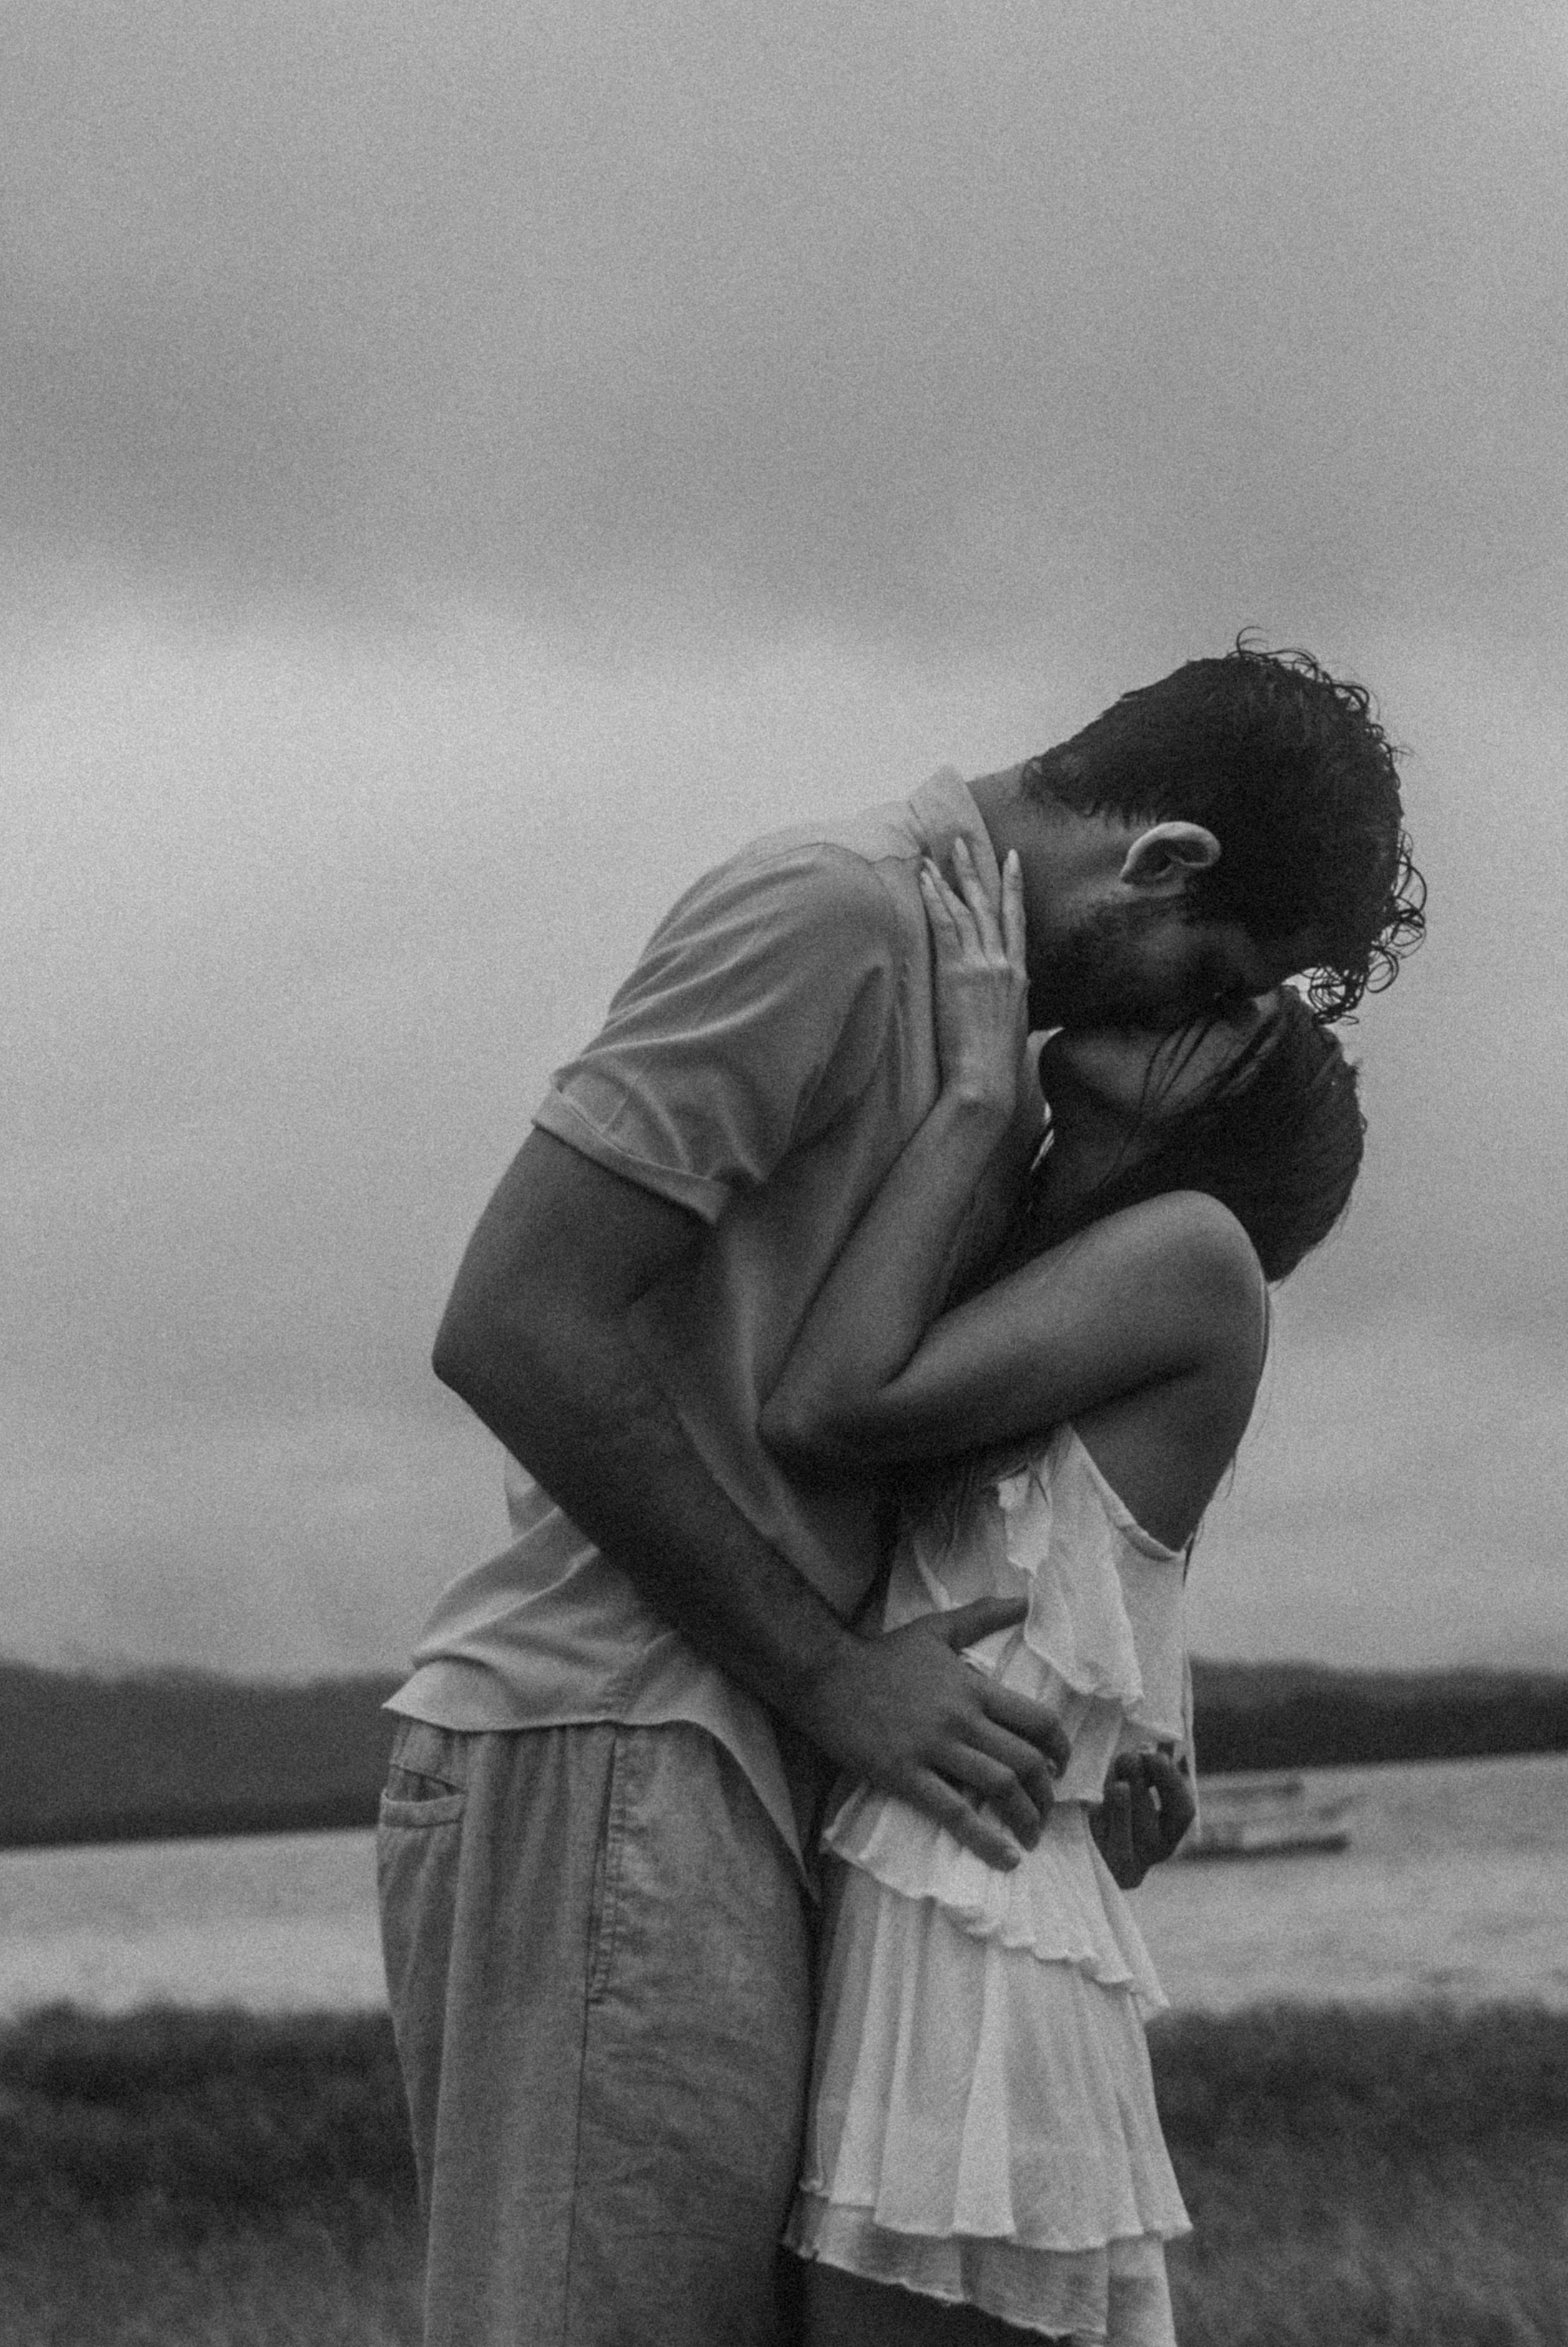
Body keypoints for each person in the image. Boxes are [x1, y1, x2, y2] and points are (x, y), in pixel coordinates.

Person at [378, 642, 1421, 2347]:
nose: (1187, 1023)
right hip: (621, 1725)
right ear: (1159, 863)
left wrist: (1125, 1717)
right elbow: (513, 1319)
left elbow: (1037, 1501)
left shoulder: (999, 1057)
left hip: (760, 1761)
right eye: (1212, 977)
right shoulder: (835, 916)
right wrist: (835, 1678)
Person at [762, 844, 1365, 2345]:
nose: (1176, 988)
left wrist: (975, 1088)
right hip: (936, 1901)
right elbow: (1099, 1593)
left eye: (1225, 1016)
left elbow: (829, 1401)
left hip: (975, 1942)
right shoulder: (1060, 1279)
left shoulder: (1198, 1255)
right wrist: (1140, 1763)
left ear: (1230, 1122)